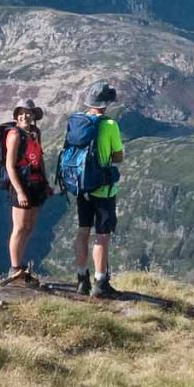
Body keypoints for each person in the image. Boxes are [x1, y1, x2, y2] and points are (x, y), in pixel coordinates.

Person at [63, 83, 126, 298]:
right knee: (102, 236)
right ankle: (100, 283)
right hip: (102, 189)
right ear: (106, 104)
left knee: (82, 231)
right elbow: (118, 156)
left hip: (81, 185)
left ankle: (82, 279)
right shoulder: (109, 125)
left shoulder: (77, 121)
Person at [0, 102, 52, 284]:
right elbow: (10, 166)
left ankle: (19, 268)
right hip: (21, 184)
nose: (24, 116)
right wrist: (19, 192)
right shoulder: (14, 135)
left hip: (36, 184)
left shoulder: (35, 133)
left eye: (27, 113)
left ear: (33, 115)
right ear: (16, 116)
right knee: (19, 227)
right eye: (21, 113)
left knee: (28, 228)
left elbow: (39, 159)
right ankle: (15, 267)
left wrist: (46, 182)